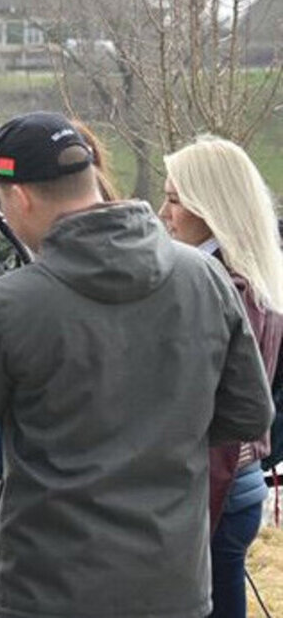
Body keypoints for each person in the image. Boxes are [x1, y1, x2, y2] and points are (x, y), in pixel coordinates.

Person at [0, 111, 274, 618]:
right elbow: (248, 417)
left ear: (18, 197)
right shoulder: (203, 276)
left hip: (49, 591)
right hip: (172, 585)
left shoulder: (13, 302)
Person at [160, 136, 283, 618]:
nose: (164, 213)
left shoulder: (219, 284)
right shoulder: (257, 277)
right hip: (240, 474)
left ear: (209, 207)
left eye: (174, 200)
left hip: (215, 475)